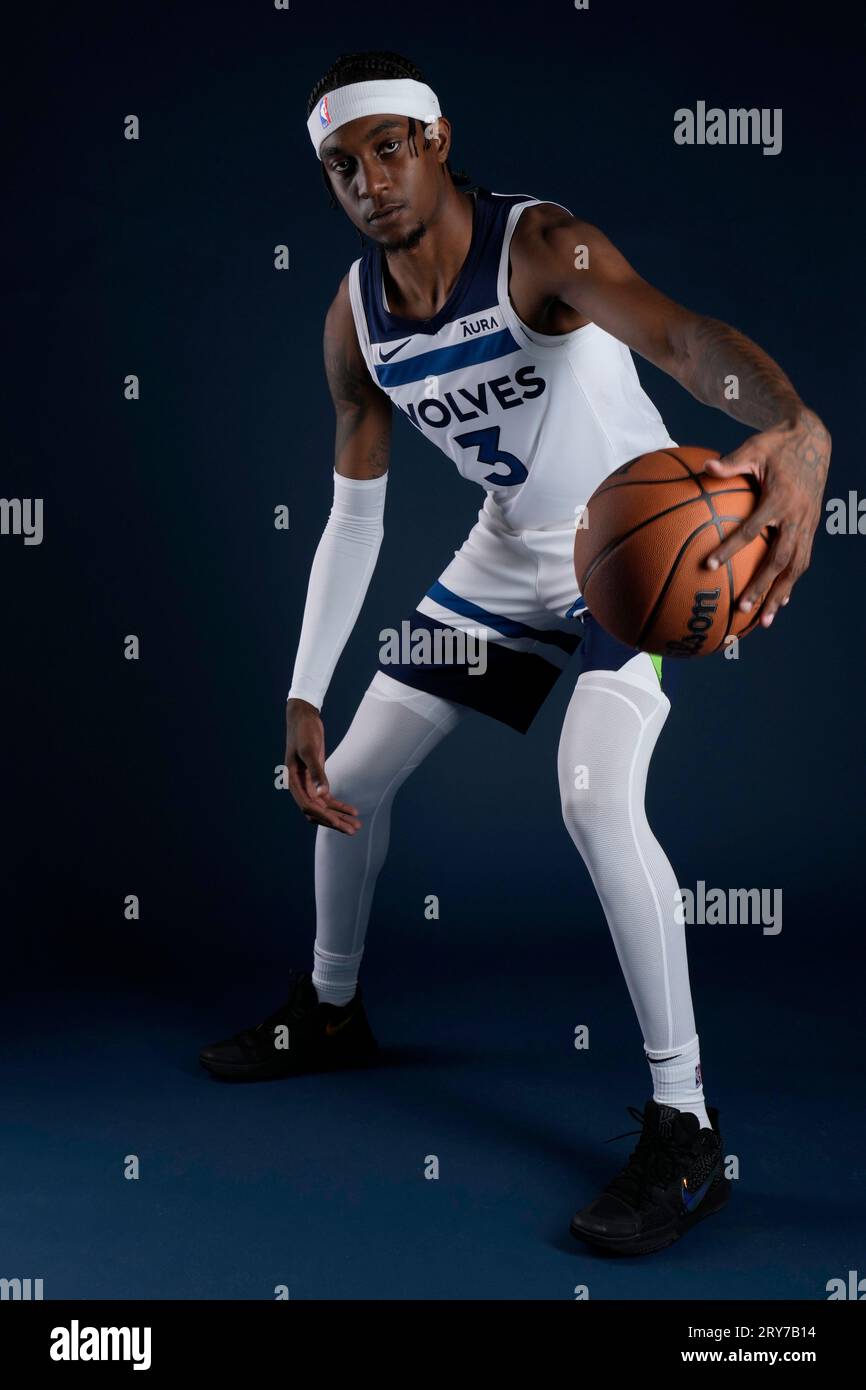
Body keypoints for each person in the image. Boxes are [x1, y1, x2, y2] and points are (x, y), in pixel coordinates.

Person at [199, 50, 831, 1255]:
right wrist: (300, 690)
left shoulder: (542, 249)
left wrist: (790, 425)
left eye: (391, 147)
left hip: (625, 565)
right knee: (344, 783)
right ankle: (331, 1013)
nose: (370, 179)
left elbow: (685, 341)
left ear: (437, 142)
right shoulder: (354, 321)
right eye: (342, 163)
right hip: (503, 568)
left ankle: (685, 1126)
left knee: (592, 798)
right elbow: (355, 515)